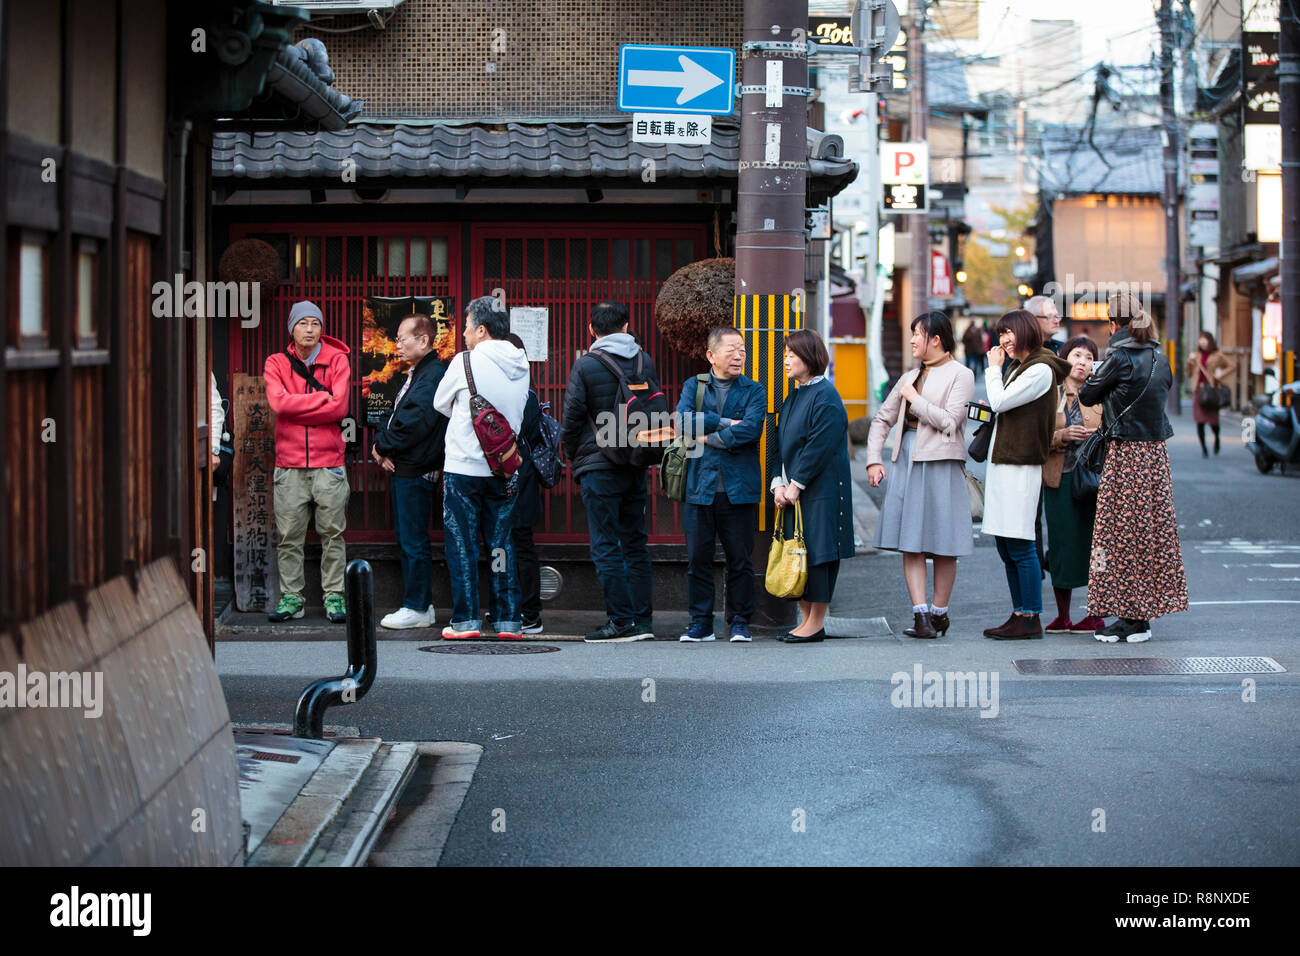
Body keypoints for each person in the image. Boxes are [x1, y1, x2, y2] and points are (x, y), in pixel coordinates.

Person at [1078, 292, 1188, 643]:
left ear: (1114, 323)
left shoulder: (1120, 357)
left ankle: (1130, 617)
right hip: (1155, 456)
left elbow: (1088, 395)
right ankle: (1142, 613)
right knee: (1151, 534)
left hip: (1125, 455)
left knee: (1117, 535)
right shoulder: (1161, 358)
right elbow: (1162, 392)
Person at [867, 312, 975, 639]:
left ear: (936, 339)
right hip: (908, 462)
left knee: (945, 543)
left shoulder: (962, 374)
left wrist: (914, 400)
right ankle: (921, 615)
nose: (913, 340)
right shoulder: (908, 377)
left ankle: (939, 612)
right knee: (910, 542)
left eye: (917, 334)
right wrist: (873, 459)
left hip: (942, 462)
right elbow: (881, 420)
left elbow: (949, 421)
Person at [560, 301, 658, 643]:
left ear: (591, 330)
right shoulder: (644, 361)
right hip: (635, 462)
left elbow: (572, 418)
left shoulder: (587, 364)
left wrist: (572, 456)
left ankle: (621, 622)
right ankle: (642, 621)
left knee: (605, 544)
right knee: (635, 542)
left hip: (599, 465)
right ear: (627, 326)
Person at [433, 297, 529, 640]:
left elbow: (439, 403)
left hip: (464, 467)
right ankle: (507, 621)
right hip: (504, 468)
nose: (463, 333)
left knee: (463, 543)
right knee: (501, 544)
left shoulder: (465, 362)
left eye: (468, 326)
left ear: (482, 329)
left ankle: (466, 621)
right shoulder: (522, 362)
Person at [981, 309, 1071, 640]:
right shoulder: (1022, 367)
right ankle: (1019, 612)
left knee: (1020, 544)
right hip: (1006, 461)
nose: (1004, 339)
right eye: (1001, 333)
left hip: (1020, 465)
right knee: (1006, 546)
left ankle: (1030, 615)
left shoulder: (1041, 370)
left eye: (1010, 332)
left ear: (1025, 332)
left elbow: (1001, 402)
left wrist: (992, 371)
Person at [263, 300, 353, 624]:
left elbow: (340, 408)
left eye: (315, 323)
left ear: (322, 328)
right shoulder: (276, 362)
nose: (310, 329)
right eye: (303, 323)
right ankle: (292, 598)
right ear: (292, 328)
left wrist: (297, 403)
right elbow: (278, 404)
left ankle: (334, 597)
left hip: (329, 461)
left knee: (332, 534)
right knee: (289, 536)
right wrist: (321, 400)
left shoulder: (338, 360)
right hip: (289, 464)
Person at [675, 326, 766, 643]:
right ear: (711, 355)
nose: (739, 355)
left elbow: (752, 429)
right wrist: (725, 423)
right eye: (732, 349)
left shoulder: (754, 390)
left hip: (739, 489)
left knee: (739, 560)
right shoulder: (694, 386)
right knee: (697, 559)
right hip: (700, 487)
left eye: (742, 349)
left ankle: (739, 621)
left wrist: (706, 436)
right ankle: (700, 623)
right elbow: (682, 423)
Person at [770, 329, 855, 643]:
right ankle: (806, 618)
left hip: (822, 491)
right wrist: (778, 484)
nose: (786, 360)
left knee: (819, 553)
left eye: (792, 354)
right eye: (786, 354)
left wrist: (795, 484)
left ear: (810, 357)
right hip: (798, 491)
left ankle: (816, 622)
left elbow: (818, 447)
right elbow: (780, 444)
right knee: (802, 553)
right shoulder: (796, 393)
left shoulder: (826, 397)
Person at [372, 313, 449, 630]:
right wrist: (381, 443)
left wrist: (383, 446)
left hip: (416, 469)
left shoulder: (432, 376)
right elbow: (391, 417)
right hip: (409, 465)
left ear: (423, 341)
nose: (398, 344)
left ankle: (417, 606)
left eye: (403, 338)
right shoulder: (420, 373)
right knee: (409, 537)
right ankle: (419, 605)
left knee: (413, 539)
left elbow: (411, 426)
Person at [1041, 335, 1105, 635]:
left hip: (1094, 481)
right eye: (1078, 355)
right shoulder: (1050, 394)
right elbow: (1038, 437)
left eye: (1090, 357)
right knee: (1061, 546)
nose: (1083, 362)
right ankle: (1063, 615)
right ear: (1065, 359)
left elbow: (1115, 435)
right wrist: (1063, 436)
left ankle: (1097, 613)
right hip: (1059, 477)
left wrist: (1098, 435)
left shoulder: (1102, 395)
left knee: (1097, 546)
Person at [505, 332, 546, 634]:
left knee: (518, 544)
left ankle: (528, 612)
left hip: (518, 476)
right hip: (519, 475)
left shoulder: (523, 394)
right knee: (510, 545)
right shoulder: (527, 392)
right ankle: (512, 608)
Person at [1186, 331, 1235, 457]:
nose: (1202, 342)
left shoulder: (1217, 355)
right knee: (1200, 421)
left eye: (1204, 339)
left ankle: (1216, 438)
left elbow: (1232, 365)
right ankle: (1204, 449)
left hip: (1211, 390)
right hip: (1198, 390)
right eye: (1200, 339)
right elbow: (1189, 374)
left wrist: (1220, 375)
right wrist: (1189, 363)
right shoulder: (1196, 356)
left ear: (1210, 341)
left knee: (1214, 421)